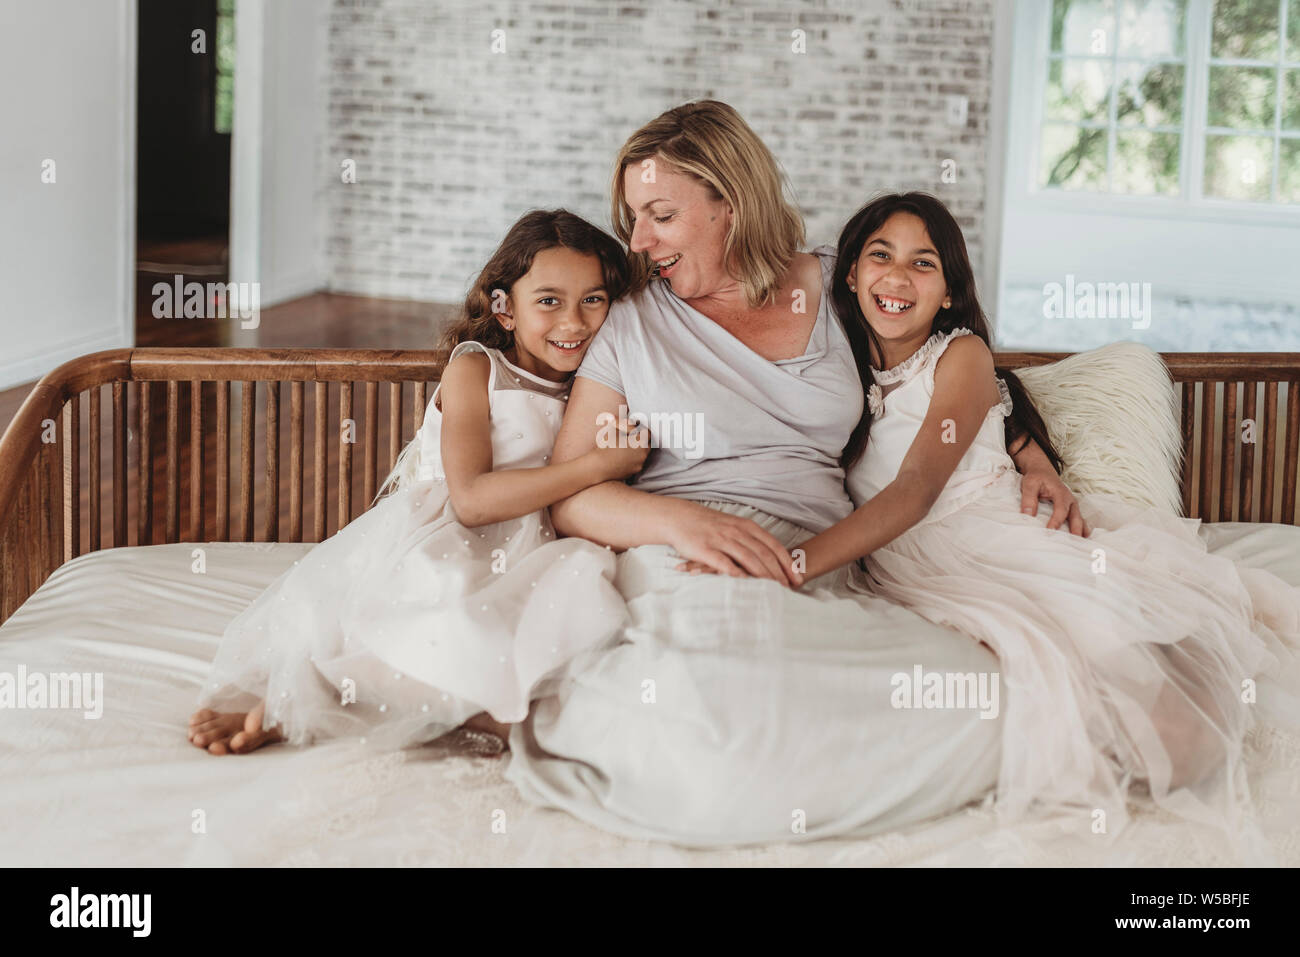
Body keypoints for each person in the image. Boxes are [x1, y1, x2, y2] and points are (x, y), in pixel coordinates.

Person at [500, 101, 1086, 848]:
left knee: (987, 698)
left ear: (729, 205)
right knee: (717, 722)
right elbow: (575, 492)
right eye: (632, 218)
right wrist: (687, 522)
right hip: (687, 552)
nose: (638, 242)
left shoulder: (840, 289)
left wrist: (1031, 453)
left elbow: (945, 361)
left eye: (659, 215)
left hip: (821, 557)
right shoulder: (628, 321)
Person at [675, 192, 1300, 857]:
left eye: (924, 264)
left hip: (996, 535)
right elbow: (1000, 420)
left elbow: (917, 486)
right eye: (880, 255)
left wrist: (794, 561)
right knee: (1033, 699)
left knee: (1170, 717)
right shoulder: (838, 374)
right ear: (851, 272)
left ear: (948, 293)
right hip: (909, 562)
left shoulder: (961, 353)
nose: (897, 277)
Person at [187, 209, 647, 755]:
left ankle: (486, 713)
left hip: (542, 541)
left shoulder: (600, 386)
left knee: (579, 616)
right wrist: (597, 467)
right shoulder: (476, 370)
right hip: (452, 532)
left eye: (592, 300)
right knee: (447, 614)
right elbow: (472, 499)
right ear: (504, 309)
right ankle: (312, 699)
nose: (573, 322)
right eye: (548, 301)